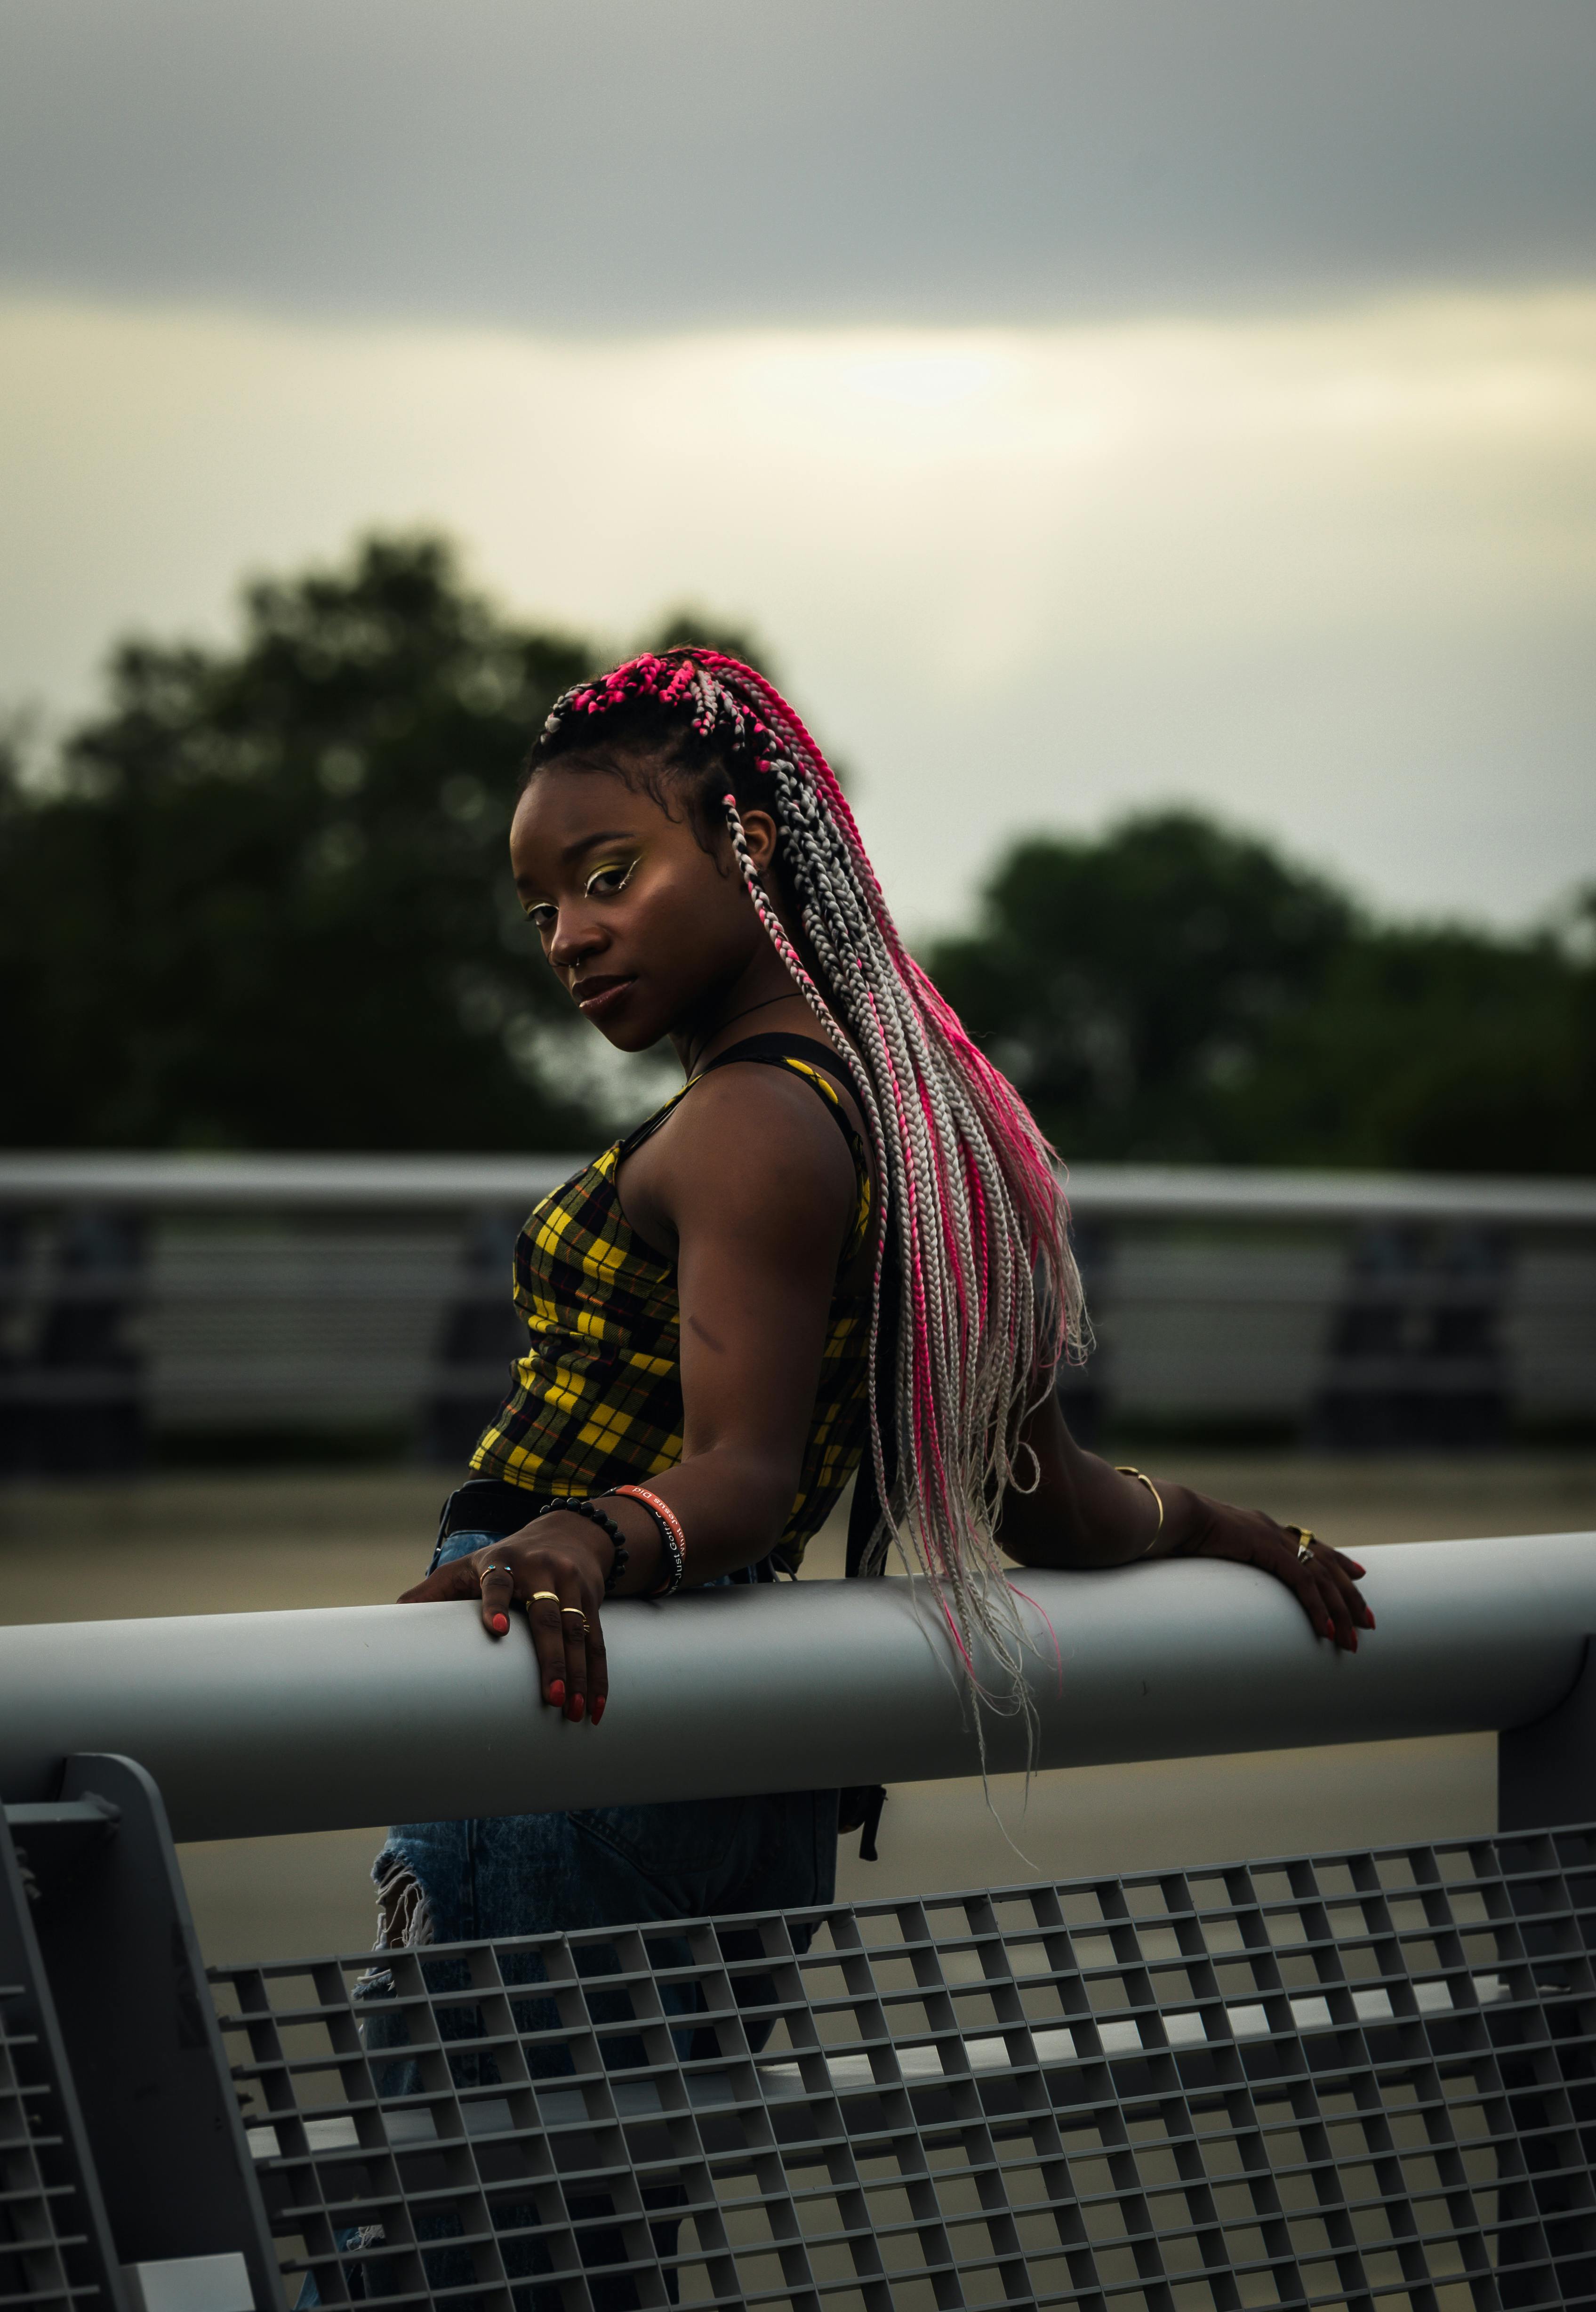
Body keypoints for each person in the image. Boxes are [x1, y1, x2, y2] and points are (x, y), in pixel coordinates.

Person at [354, 649, 1370, 2300]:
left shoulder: (750, 1120)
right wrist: (1228, 1529)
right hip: (750, 1751)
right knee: (591, 2261)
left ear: (749, 840)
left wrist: (586, 1538)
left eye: (610, 876)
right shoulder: (919, 1120)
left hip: (584, 1723)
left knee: (435, 2261)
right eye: (542, 909)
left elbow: (741, 1474)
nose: (570, 938)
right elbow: (1042, 1495)